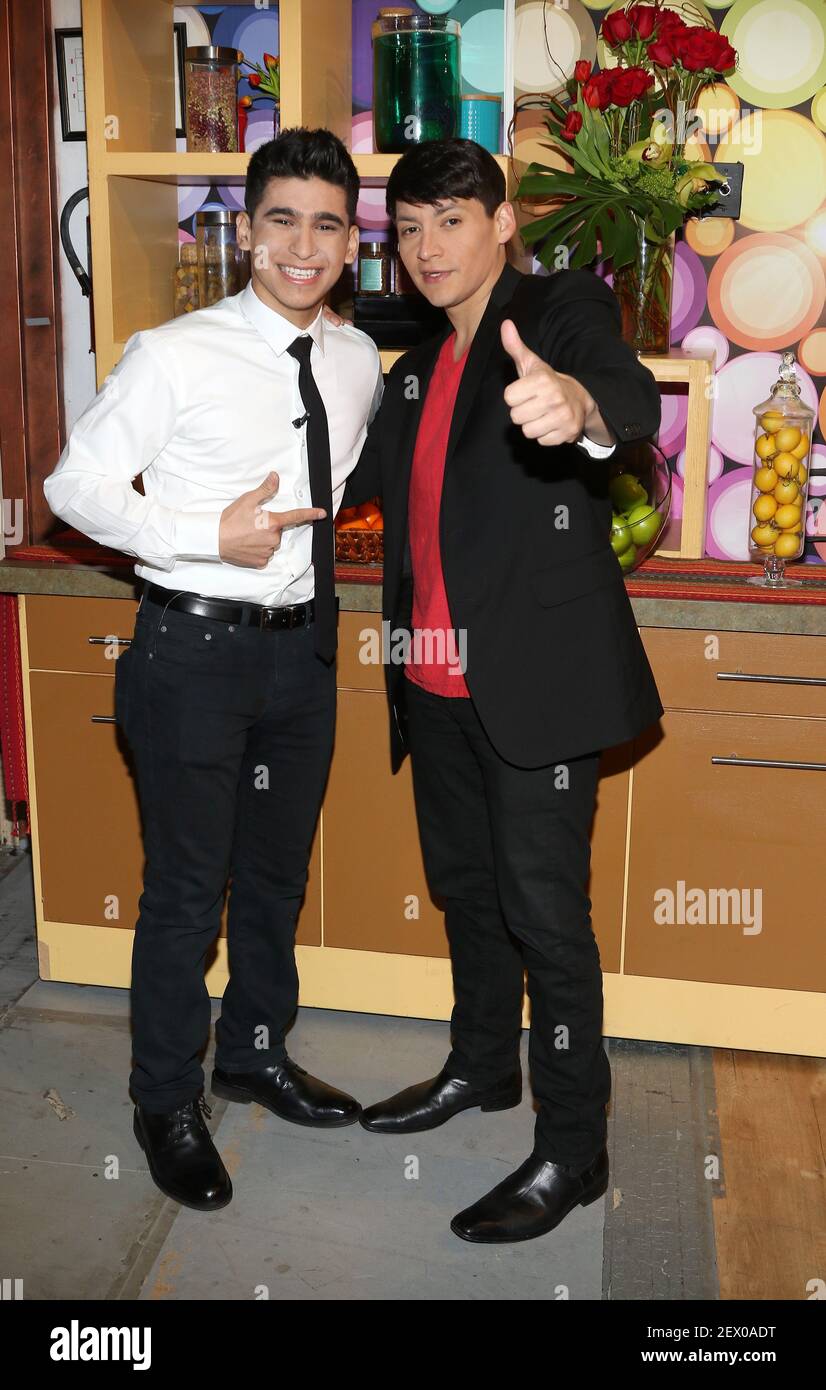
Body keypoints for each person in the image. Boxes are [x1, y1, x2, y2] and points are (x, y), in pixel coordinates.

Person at [43, 128, 384, 1212]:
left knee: (275, 882)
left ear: (348, 242)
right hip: (190, 651)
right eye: (281, 217)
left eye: (326, 222)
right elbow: (74, 485)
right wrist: (203, 535)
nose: (302, 242)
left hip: (300, 655)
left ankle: (253, 1052)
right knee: (187, 893)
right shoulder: (174, 351)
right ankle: (165, 1099)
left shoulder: (354, 357)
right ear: (247, 229)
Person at [342, 137, 664, 1244]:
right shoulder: (423, 361)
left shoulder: (557, 307)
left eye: (452, 220)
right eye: (411, 228)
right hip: (433, 684)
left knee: (544, 918)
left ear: (503, 221)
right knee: (468, 896)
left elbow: (617, 392)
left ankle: (574, 1145)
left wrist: (573, 404)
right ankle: (480, 1069)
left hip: (536, 688)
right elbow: (360, 484)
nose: (428, 248)